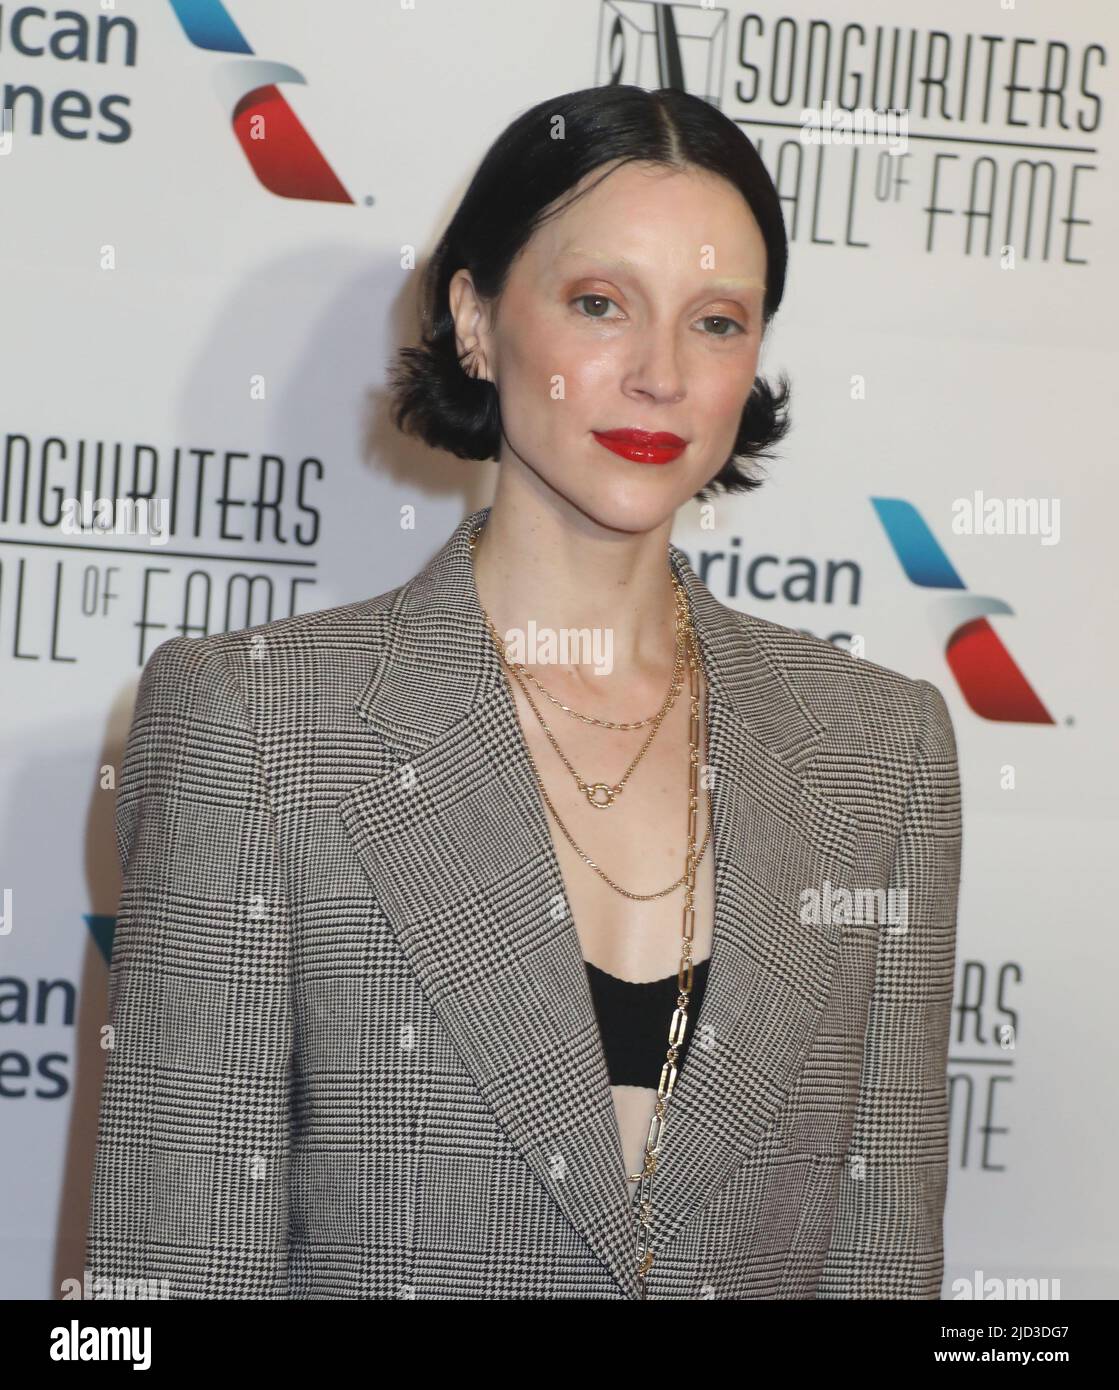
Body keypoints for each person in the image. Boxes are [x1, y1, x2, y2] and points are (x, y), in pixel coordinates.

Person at [86, 85, 962, 1301]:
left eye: (716, 321)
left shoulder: (881, 751)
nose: (660, 375)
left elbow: (883, 1260)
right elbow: (170, 1276)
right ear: (477, 321)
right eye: (600, 303)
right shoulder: (256, 725)